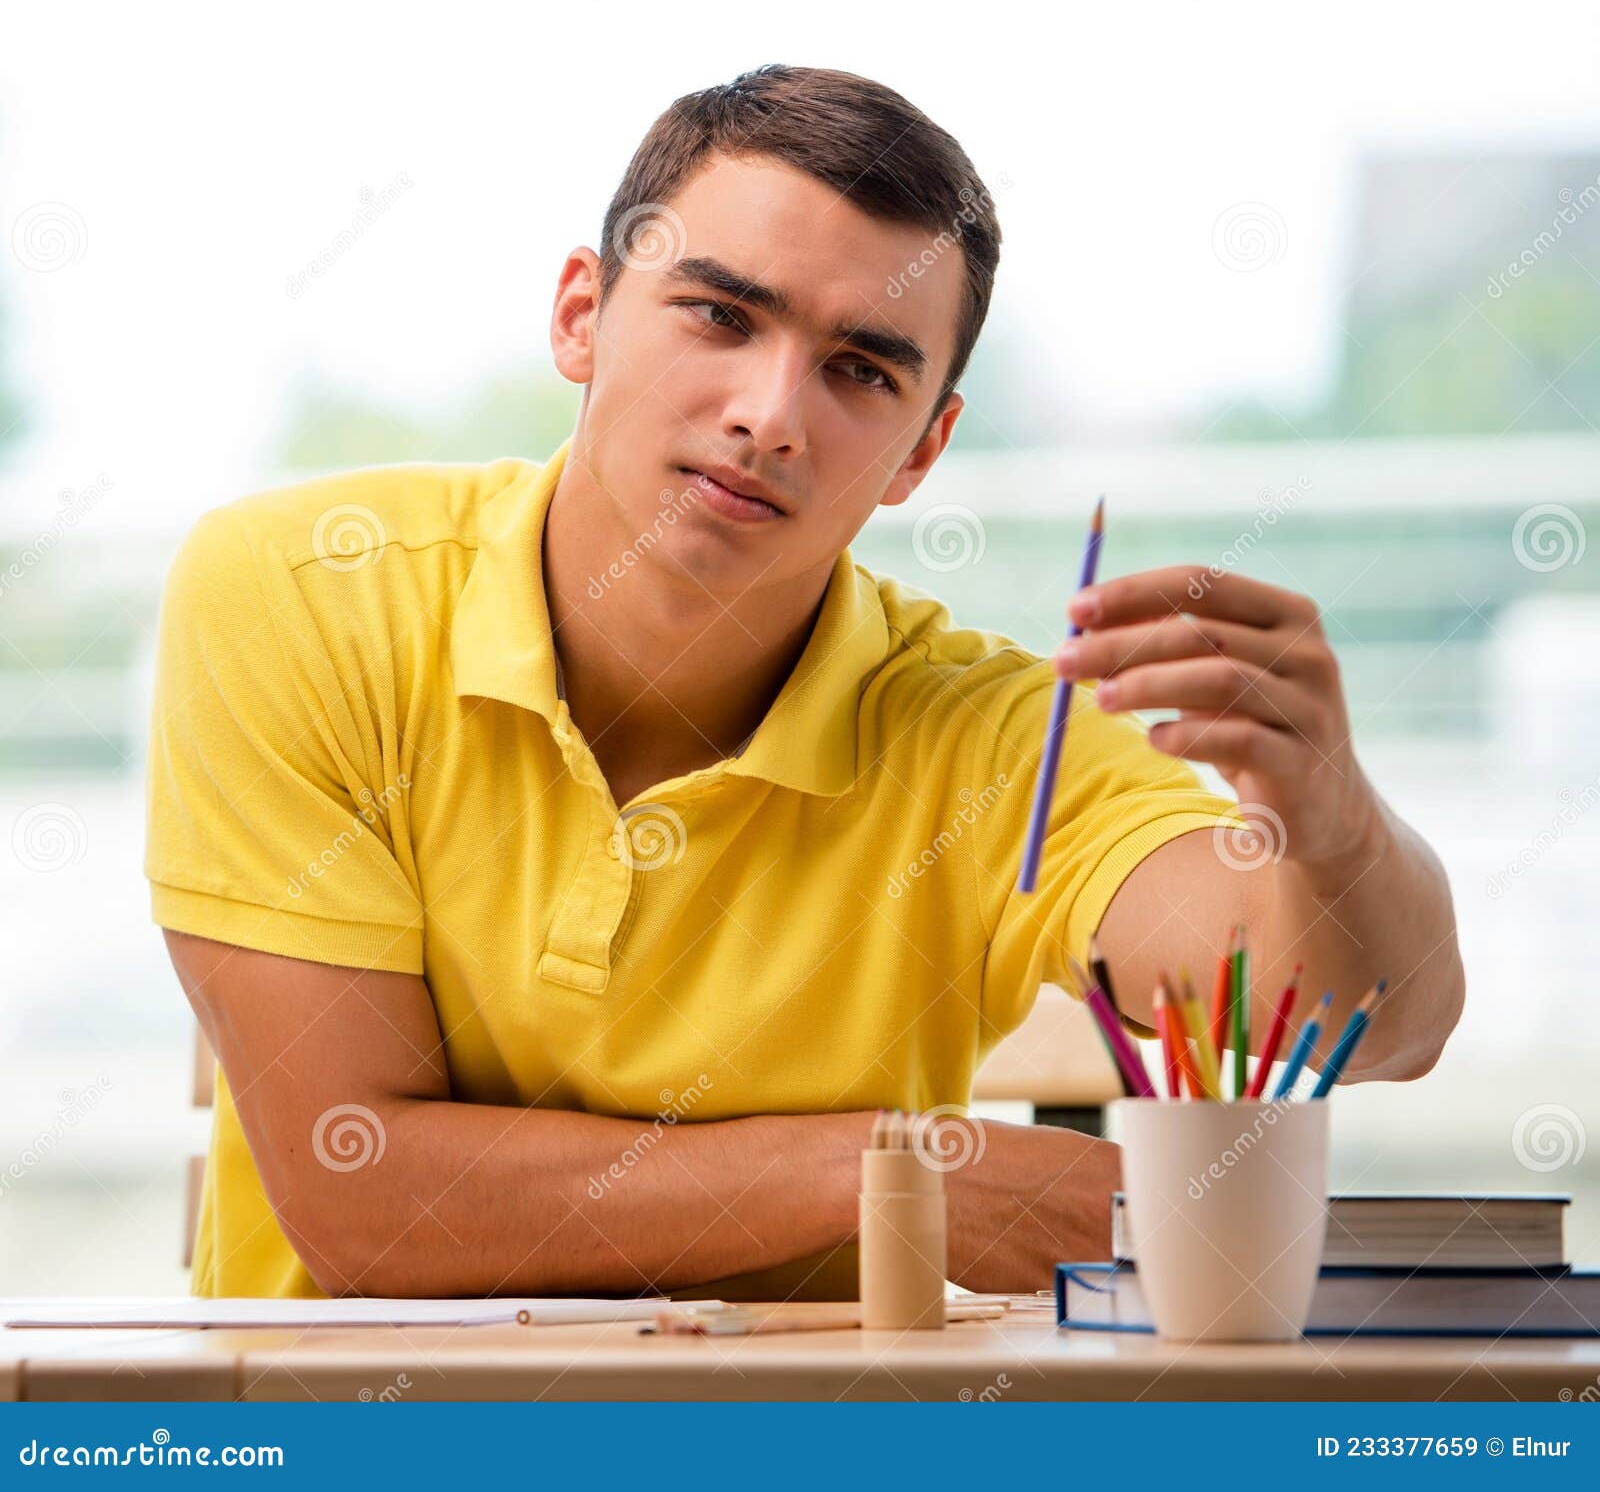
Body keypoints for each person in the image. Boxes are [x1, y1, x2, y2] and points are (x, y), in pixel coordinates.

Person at [146, 64, 1464, 1302]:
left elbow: (1363, 1028)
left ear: (920, 449)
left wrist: (1330, 811)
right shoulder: (304, 588)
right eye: (722, 314)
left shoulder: (990, 736)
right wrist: (894, 1172)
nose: (771, 414)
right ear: (580, 317)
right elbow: (363, 1193)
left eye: (860, 371)